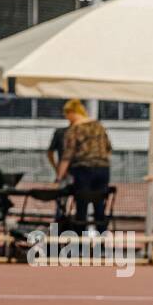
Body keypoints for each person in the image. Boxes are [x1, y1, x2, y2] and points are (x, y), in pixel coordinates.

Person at [54, 99, 113, 232]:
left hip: (83, 170)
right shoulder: (98, 126)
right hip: (103, 170)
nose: (67, 119)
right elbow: (109, 148)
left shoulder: (74, 130)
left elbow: (67, 156)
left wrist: (59, 177)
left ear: (72, 112)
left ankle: (80, 244)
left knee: (82, 206)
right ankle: (101, 243)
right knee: (99, 205)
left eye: (67, 115)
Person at [45, 122, 69, 220]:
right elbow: (50, 152)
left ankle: (59, 228)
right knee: (60, 204)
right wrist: (58, 170)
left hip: (76, 175)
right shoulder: (61, 132)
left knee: (61, 204)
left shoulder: (82, 132)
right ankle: (58, 228)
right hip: (65, 175)